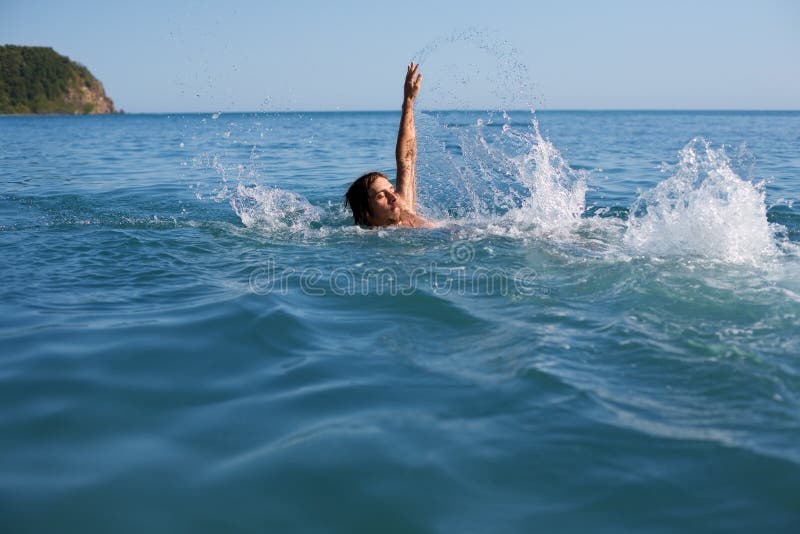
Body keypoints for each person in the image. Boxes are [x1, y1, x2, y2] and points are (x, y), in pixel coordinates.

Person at [345, 63, 433, 228]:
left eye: (392, 190)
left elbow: (406, 159)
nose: (393, 197)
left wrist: (408, 102)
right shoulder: (368, 238)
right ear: (366, 213)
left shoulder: (404, 208)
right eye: (380, 196)